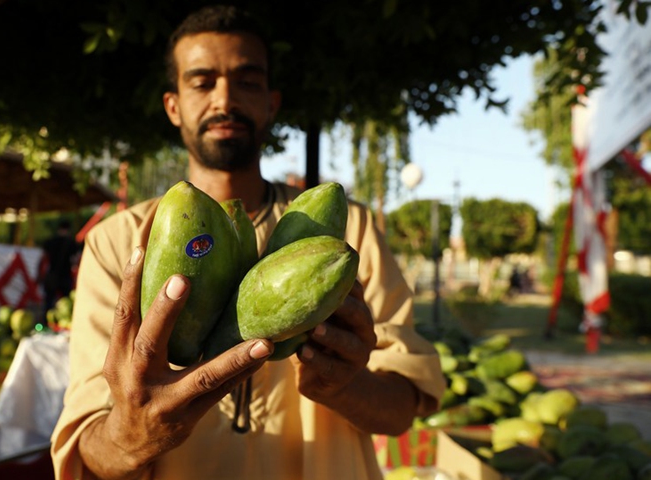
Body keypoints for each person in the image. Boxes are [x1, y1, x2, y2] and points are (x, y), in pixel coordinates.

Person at [51, 6, 445, 480]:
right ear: (173, 105)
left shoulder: (349, 233)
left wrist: (345, 386)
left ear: (272, 102)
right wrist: (133, 433)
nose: (225, 99)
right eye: (202, 81)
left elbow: (403, 410)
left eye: (247, 80)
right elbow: (87, 451)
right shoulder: (117, 243)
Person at [42, 219, 79, 315]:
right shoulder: (71, 243)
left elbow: (44, 258)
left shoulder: (50, 242)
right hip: (65, 276)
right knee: (66, 304)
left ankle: (46, 322)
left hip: (52, 274)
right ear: (68, 230)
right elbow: (75, 260)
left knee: (49, 302)